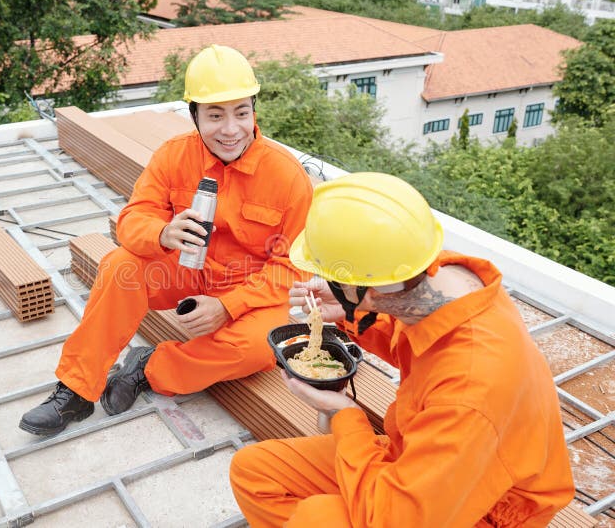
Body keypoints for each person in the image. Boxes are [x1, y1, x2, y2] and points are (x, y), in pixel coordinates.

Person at [229, 172, 574, 526]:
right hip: (423, 456)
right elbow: (410, 330)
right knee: (254, 471)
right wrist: (350, 310)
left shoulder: (469, 391)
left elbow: (394, 520)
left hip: (482, 505)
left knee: (315, 518)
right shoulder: (443, 279)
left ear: (363, 283)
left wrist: (344, 412)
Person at [19, 44, 313, 436]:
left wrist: (228, 306)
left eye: (241, 112)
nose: (230, 129)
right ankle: (76, 388)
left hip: (248, 288)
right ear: (194, 116)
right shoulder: (173, 157)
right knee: (120, 265)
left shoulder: (288, 177)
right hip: (185, 273)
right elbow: (131, 220)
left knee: (259, 349)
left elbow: (290, 268)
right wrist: (162, 232)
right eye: (215, 115)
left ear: (253, 110)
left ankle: (147, 369)